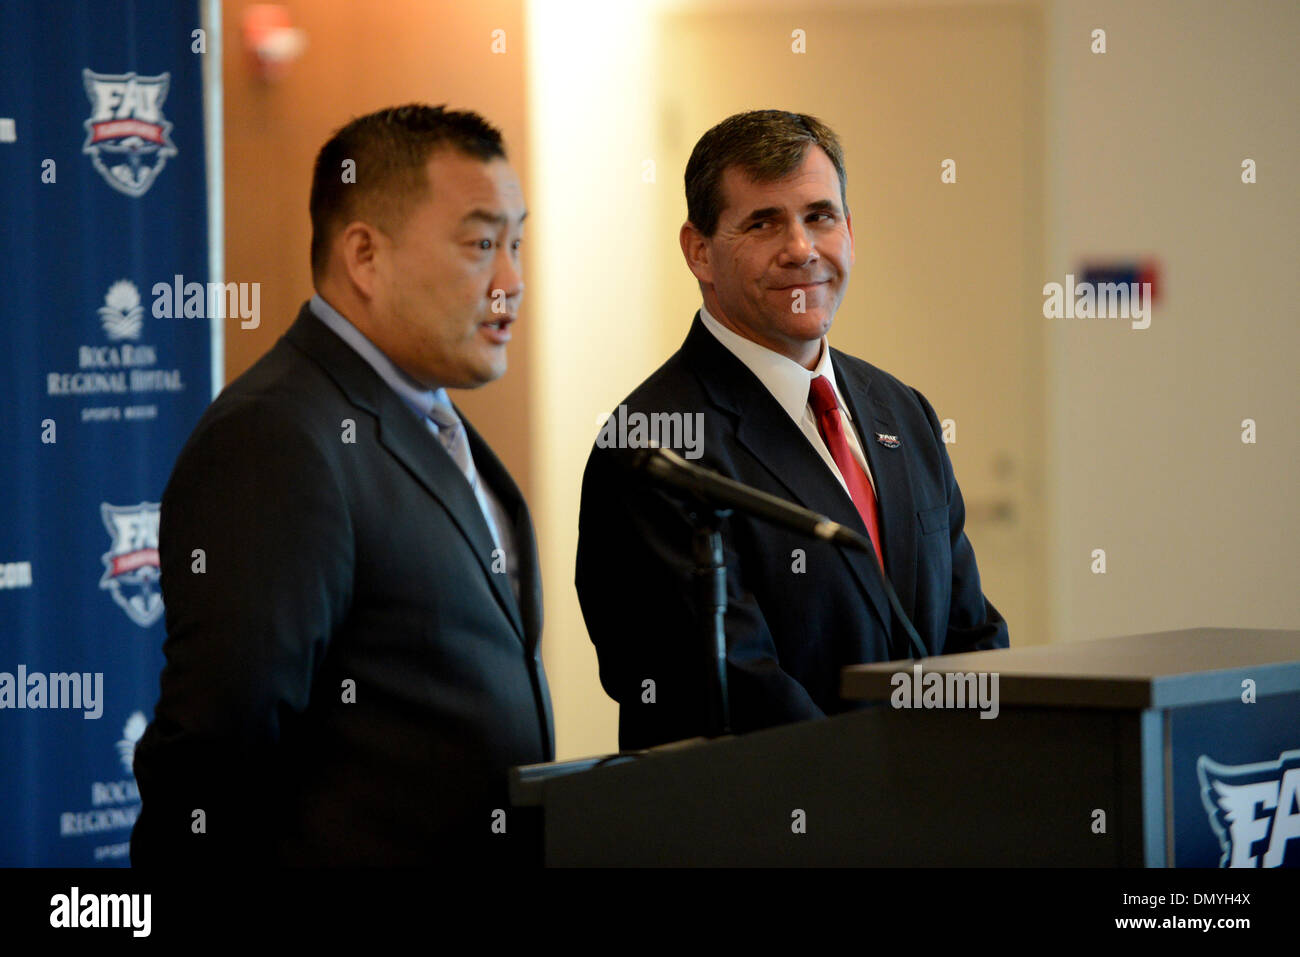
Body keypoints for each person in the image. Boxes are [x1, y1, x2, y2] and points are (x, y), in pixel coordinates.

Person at [130, 105, 552, 866]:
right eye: (482, 243)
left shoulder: (432, 420)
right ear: (365, 255)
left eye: (517, 243)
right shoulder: (276, 439)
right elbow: (216, 751)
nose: (512, 282)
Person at [576, 109, 1008, 751]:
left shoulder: (902, 411)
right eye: (763, 222)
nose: (801, 248)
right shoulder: (651, 443)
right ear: (699, 251)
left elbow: (971, 633)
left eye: (819, 217)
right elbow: (730, 687)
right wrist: (879, 799)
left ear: (850, 232)